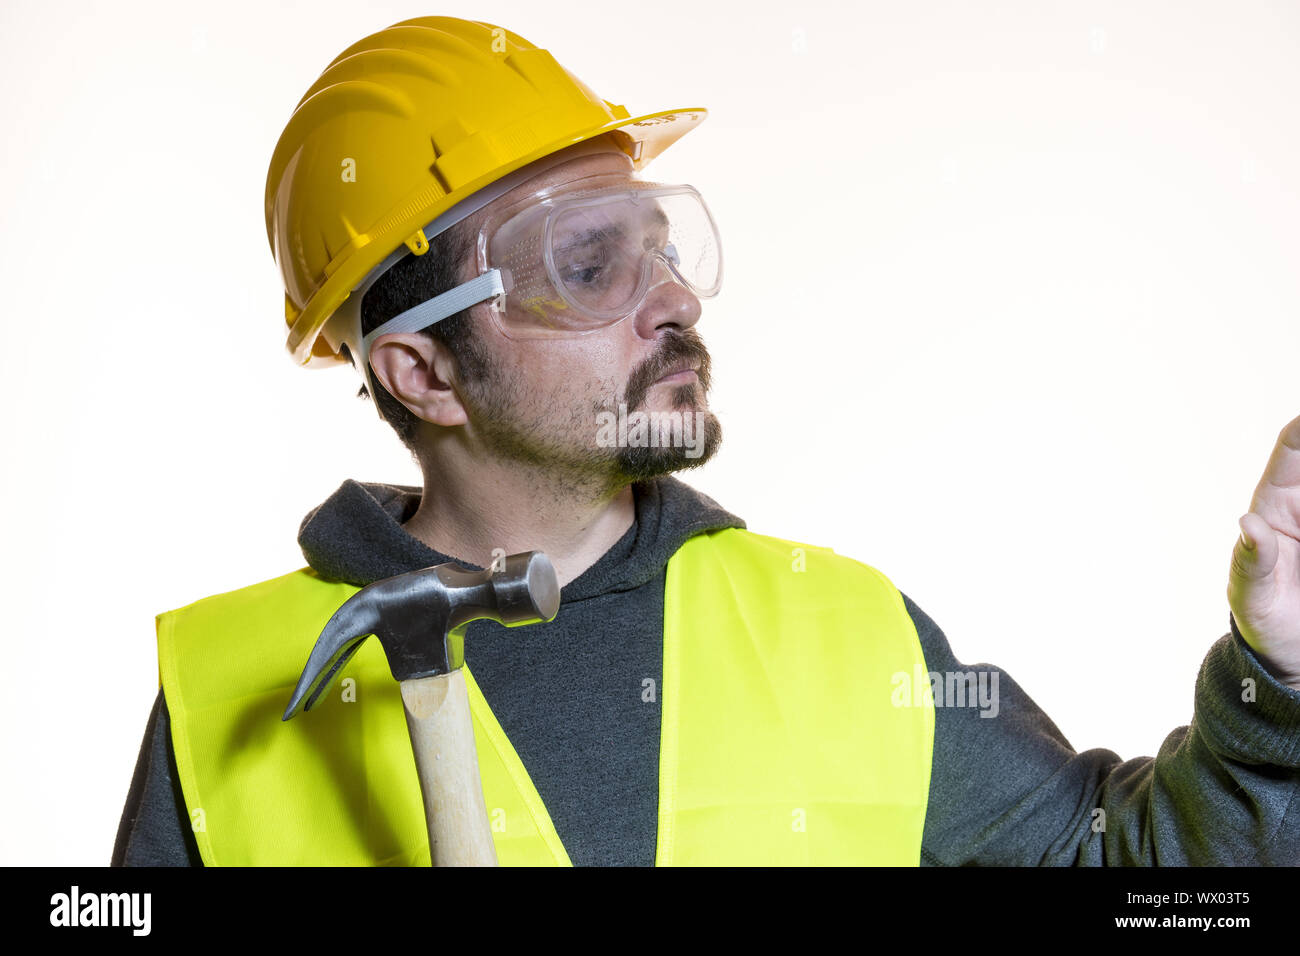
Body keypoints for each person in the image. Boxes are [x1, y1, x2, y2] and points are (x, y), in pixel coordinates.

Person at [113, 15, 1300, 867]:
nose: (672, 298)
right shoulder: (228, 696)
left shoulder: (840, 628)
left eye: (662, 242)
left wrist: (1277, 675)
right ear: (422, 372)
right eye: (588, 265)